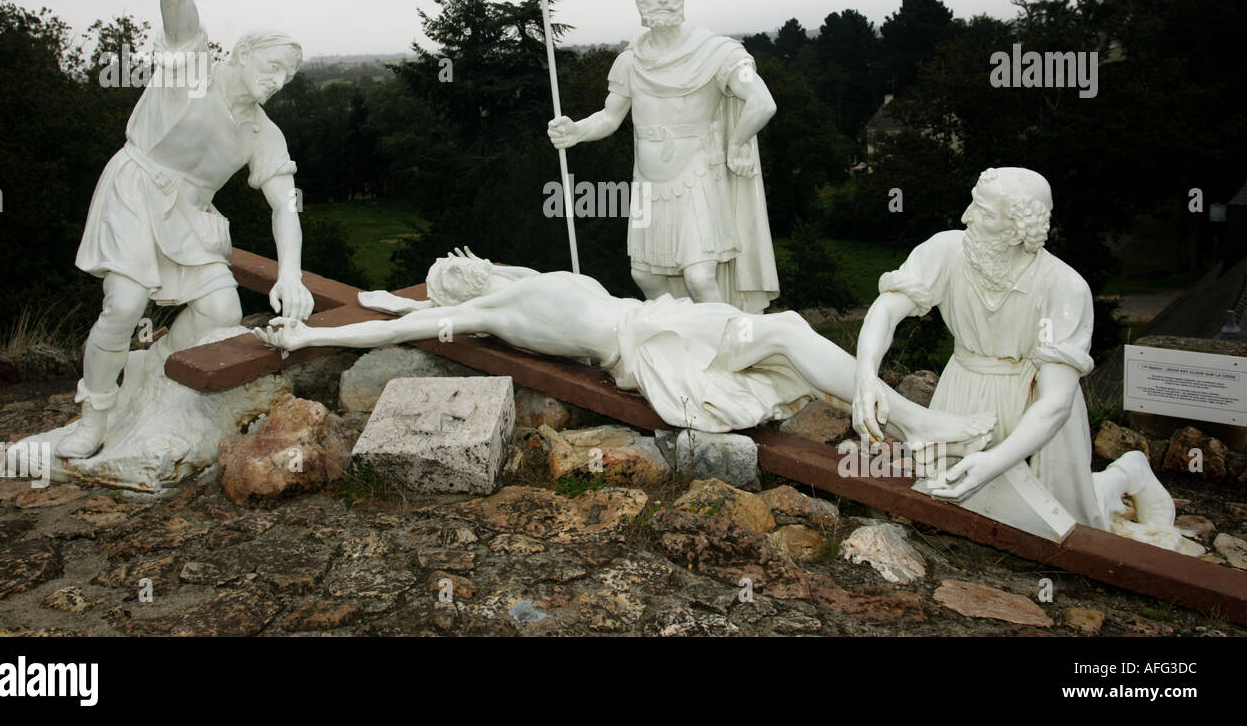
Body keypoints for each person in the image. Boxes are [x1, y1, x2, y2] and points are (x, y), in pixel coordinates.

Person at [255, 249, 993, 453]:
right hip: (649, 350)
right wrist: (313, 336)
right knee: (782, 335)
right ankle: (911, 421)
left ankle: (900, 417)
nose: (471, 268)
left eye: (466, 263)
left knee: (788, 329)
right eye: (458, 276)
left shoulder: (529, 281)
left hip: (663, 319)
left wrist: (400, 298)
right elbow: (397, 331)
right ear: (460, 297)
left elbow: (408, 308)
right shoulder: (495, 310)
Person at [59, 0, 314, 458]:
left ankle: (151, 369)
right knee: (124, 305)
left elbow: (284, 205)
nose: (278, 82)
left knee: (221, 313)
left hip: (192, 216)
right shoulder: (191, 68)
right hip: (136, 189)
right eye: (272, 67)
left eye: (287, 77)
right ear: (242, 54)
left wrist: (290, 276)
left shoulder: (263, 132)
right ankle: (93, 413)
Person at [851, 167, 1177, 539]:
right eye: (973, 203)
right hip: (963, 391)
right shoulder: (947, 250)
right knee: (951, 510)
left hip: (1033, 403)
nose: (967, 216)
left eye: (984, 212)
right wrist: (866, 374)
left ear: (1017, 230)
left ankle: (1126, 472)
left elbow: (1055, 402)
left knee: (1065, 521)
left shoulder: (1063, 288)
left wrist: (994, 461)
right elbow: (886, 309)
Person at [547, 0, 779, 312]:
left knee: (699, 277)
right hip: (647, 182)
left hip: (697, 175)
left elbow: (762, 102)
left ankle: (724, 341)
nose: (663, 0)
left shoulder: (717, 52)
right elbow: (609, 117)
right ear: (638, 1)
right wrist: (576, 131)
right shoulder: (630, 60)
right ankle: (678, 334)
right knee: (646, 277)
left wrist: (736, 145)